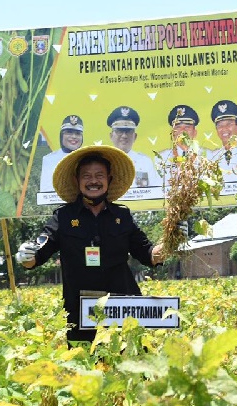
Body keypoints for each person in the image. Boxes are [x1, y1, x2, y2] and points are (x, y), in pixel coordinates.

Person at [16, 145, 165, 343]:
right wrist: (26, 255)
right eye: (86, 176)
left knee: (130, 365)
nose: (93, 181)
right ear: (77, 181)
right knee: (85, 366)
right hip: (81, 312)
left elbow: (148, 253)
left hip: (122, 306)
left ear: (109, 180)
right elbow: (36, 256)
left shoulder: (122, 216)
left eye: (99, 175)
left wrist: (169, 243)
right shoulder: (63, 217)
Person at [106, 106, 163, 189]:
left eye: (129, 131)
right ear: (111, 136)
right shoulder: (103, 161)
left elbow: (154, 191)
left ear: (135, 136)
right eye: (119, 131)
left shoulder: (145, 162)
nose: (124, 136)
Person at [157, 104, 208, 188]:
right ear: (173, 133)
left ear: (195, 132)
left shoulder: (207, 155)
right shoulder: (162, 158)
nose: (183, 131)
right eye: (178, 127)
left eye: (187, 127)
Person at [40, 114, 85, 193]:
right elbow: (46, 192)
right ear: (61, 135)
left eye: (78, 133)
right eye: (69, 132)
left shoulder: (89, 158)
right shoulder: (48, 159)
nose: (74, 136)